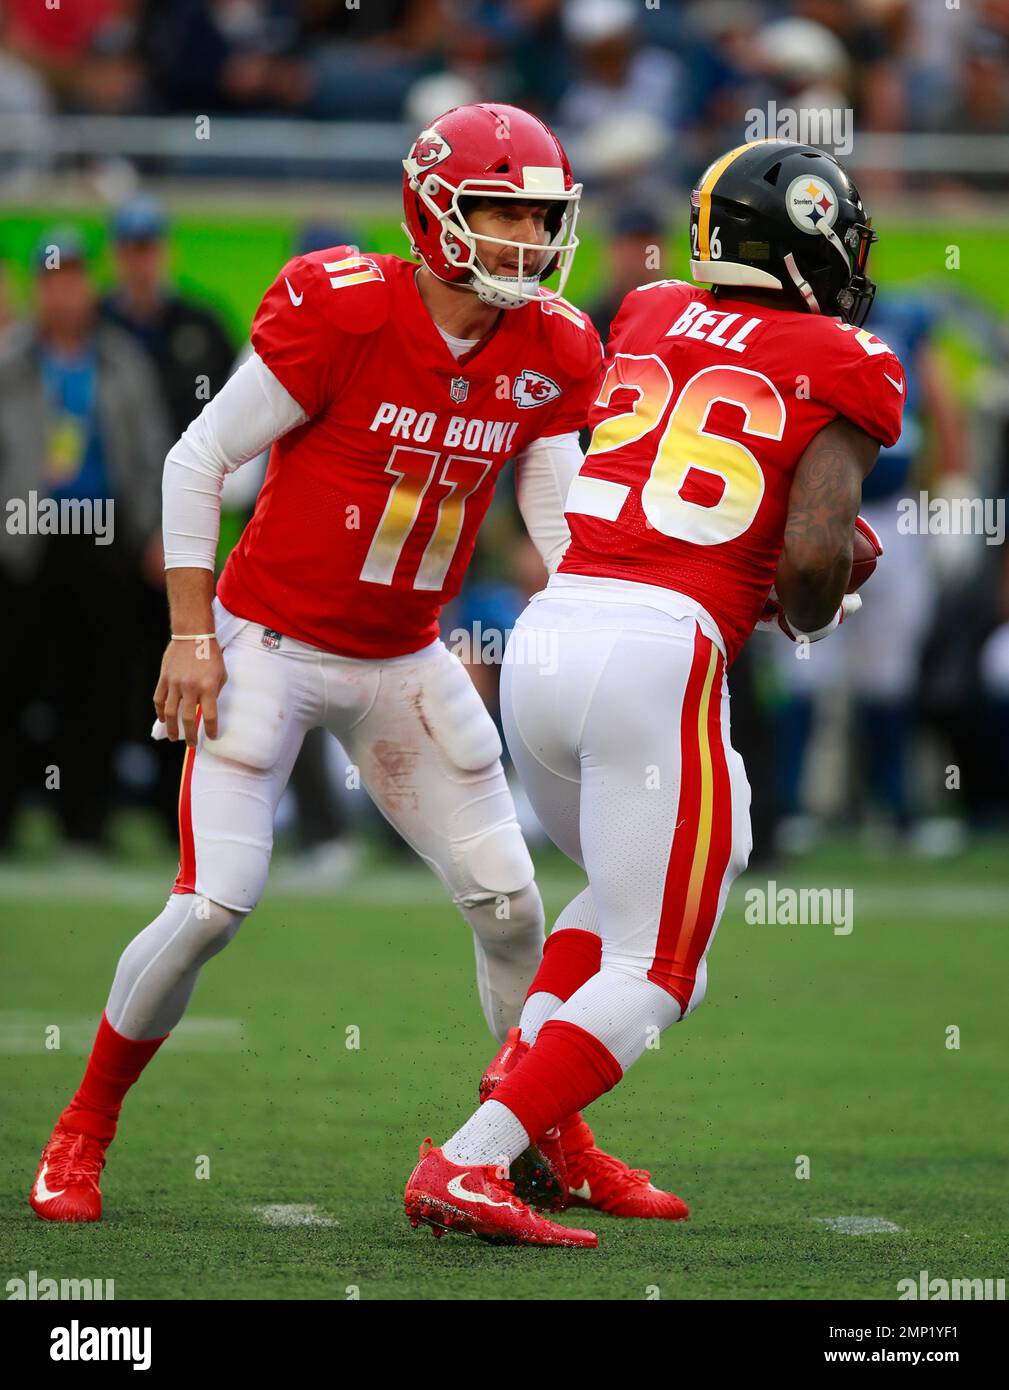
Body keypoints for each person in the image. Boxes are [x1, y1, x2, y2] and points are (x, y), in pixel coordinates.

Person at [27, 103, 654, 1232]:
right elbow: (198, 455)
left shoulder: (554, 342)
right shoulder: (347, 306)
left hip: (403, 655)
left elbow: (560, 525)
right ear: (434, 213)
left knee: (513, 907)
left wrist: (612, 632)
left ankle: (544, 1142)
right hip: (268, 640)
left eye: (540, 216)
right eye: (502, 211)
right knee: (215, 906)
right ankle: (83, 1126)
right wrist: (190, 630)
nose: (527, 239)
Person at [405, 138, 906, 1247]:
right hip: (655, 654)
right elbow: (813, 561)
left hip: (550, 634)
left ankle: (525, 1107)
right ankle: (473, 1158)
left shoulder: (642, 312)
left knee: (659, 881)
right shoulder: (848, 355)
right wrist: (807, 599)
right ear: (801, 242)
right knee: (663, 967)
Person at [0, 229, 168, 853]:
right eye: (52, 280)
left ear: (89, 285)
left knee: (97, 685)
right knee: (13, 681)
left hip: (103, 537)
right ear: (36, 289)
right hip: (24, 537)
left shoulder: (120, 359)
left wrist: (154, 531)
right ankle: (8, 822)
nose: (64, 291)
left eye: (74, 278)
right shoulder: (13, 360)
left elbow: (154, 453)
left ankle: (87, 822)